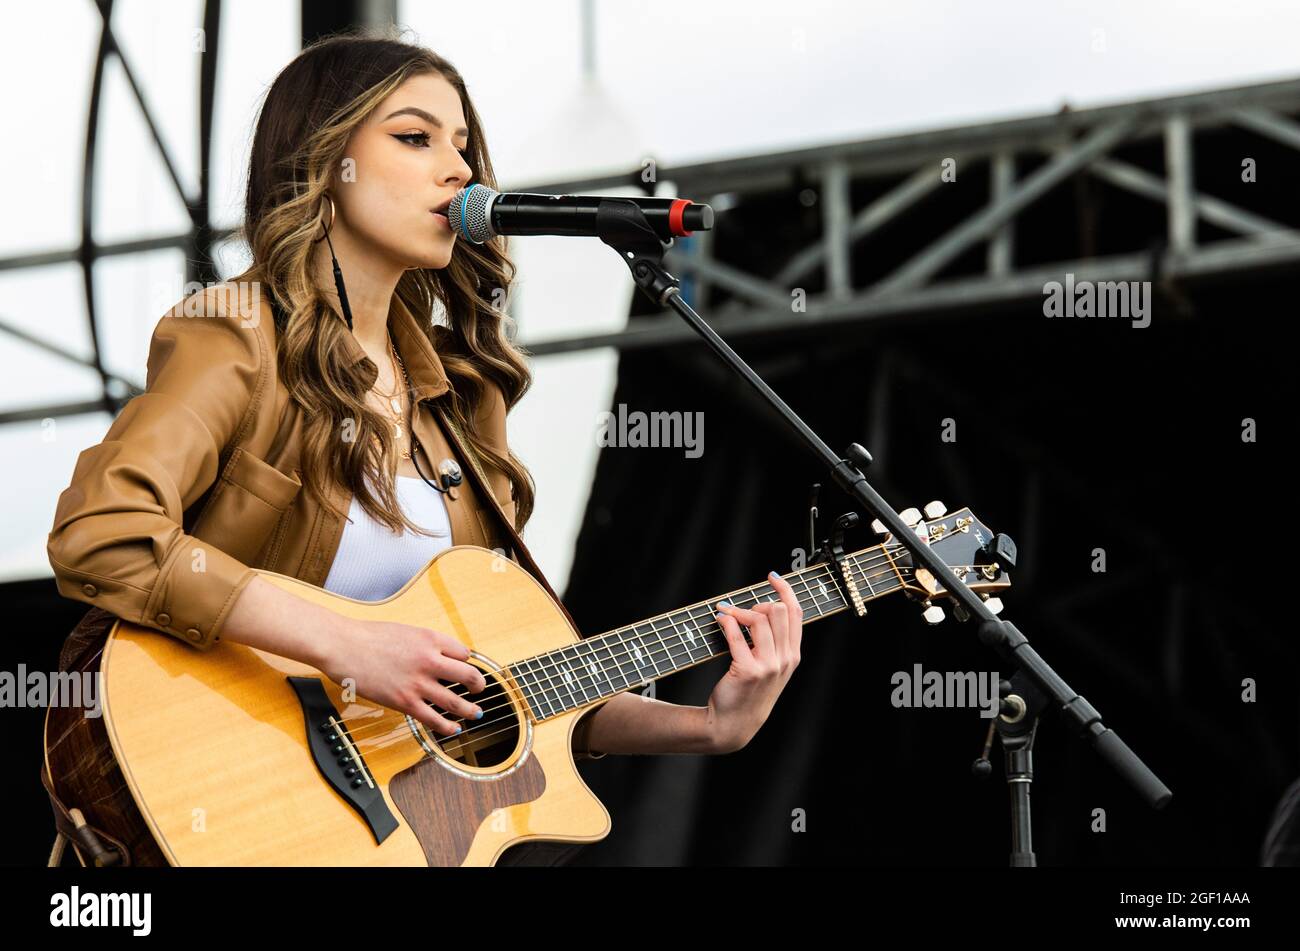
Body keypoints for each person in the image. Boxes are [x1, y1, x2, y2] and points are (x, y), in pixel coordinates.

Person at [46, 34, 804, 855]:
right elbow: (104, 533)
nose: (458, 170)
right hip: (221, 799)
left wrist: (706, 727)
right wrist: (348, 646)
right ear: (321, 162)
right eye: (416, 138)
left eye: (464, 147)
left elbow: (505, 689)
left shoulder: (462, 391)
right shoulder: (236, 334)